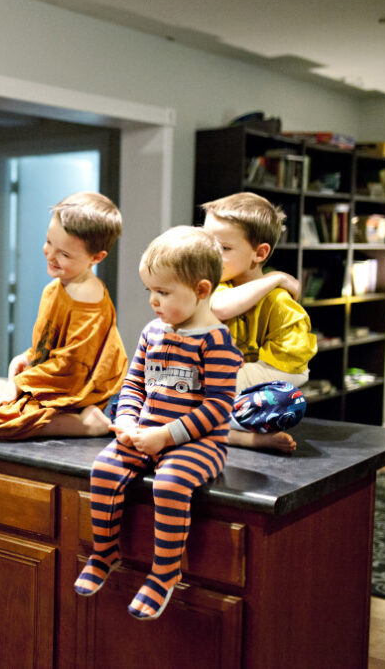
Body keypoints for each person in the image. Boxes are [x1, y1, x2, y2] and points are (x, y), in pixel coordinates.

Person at [74, 226, 242, 621]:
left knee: (169, 484)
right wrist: (127, 421)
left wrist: (167, 436)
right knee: (104, 469)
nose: (153, 301)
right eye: (151, 290)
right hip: (147, 434)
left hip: (198, 445)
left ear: (201, 290)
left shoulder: (217, 344)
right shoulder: (153, 332)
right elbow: (134, 383)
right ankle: (105, 553)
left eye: (163, 293)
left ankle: (165, 573)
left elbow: (219, 407)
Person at [0, 192, 127, 439]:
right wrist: (27, 360)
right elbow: (47, 346)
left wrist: (19, 385)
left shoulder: (87, 297)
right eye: (49, 242)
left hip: (86, 391)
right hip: (58, 382)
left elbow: (72, 369)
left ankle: (87, 425)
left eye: (64, 254)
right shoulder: (54, 288)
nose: (50, 254)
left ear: (96, 258)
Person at [201, 193, 315, 453]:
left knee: (288, 400)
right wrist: (275, 278)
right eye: (207, 243)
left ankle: (208, 426)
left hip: (262, 377)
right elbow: (219, 305)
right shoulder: (217, 285)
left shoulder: (278, 301)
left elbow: (294, 367)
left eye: (224, 248)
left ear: (260, 253)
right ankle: (235, 435)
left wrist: (273, 281)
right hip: (219, 389)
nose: (211, 254)